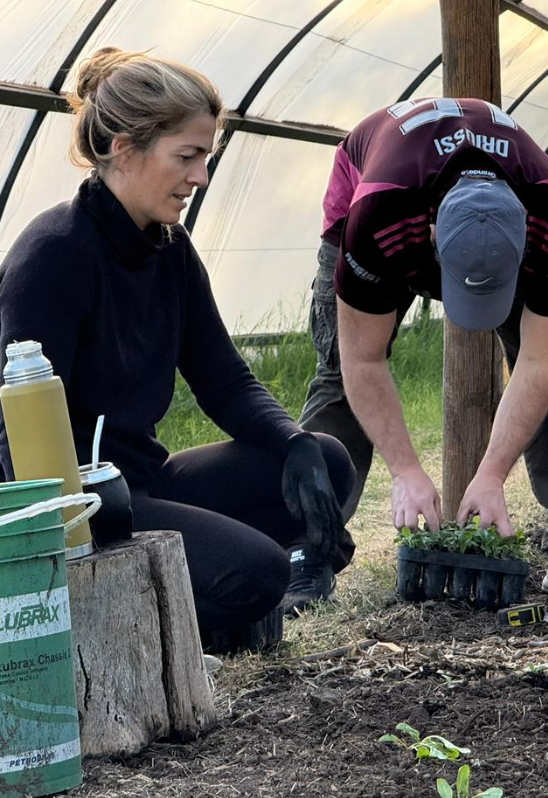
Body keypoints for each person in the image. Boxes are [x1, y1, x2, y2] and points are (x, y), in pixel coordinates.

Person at [0, 48, 357, 648]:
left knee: (328, 460)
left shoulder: (168, 249)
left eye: (207, 158)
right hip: (81, 507)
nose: (201, 178)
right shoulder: (55, 254)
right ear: (123, 147)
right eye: (187, 157)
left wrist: (292, 443)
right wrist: (72, 532)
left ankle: (215, 600)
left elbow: (225, 380)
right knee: (261, 573)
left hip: (142, 479)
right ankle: (154, 620)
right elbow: (16, 438)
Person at [299, 97, 548, 599]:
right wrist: (404, 470)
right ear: (430, 237)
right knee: (339, 370)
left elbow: (540, 359)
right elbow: (364, 359)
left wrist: (491, 476)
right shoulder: (379, 216)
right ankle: (310, 546)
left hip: (496, 218)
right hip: (381, 195)